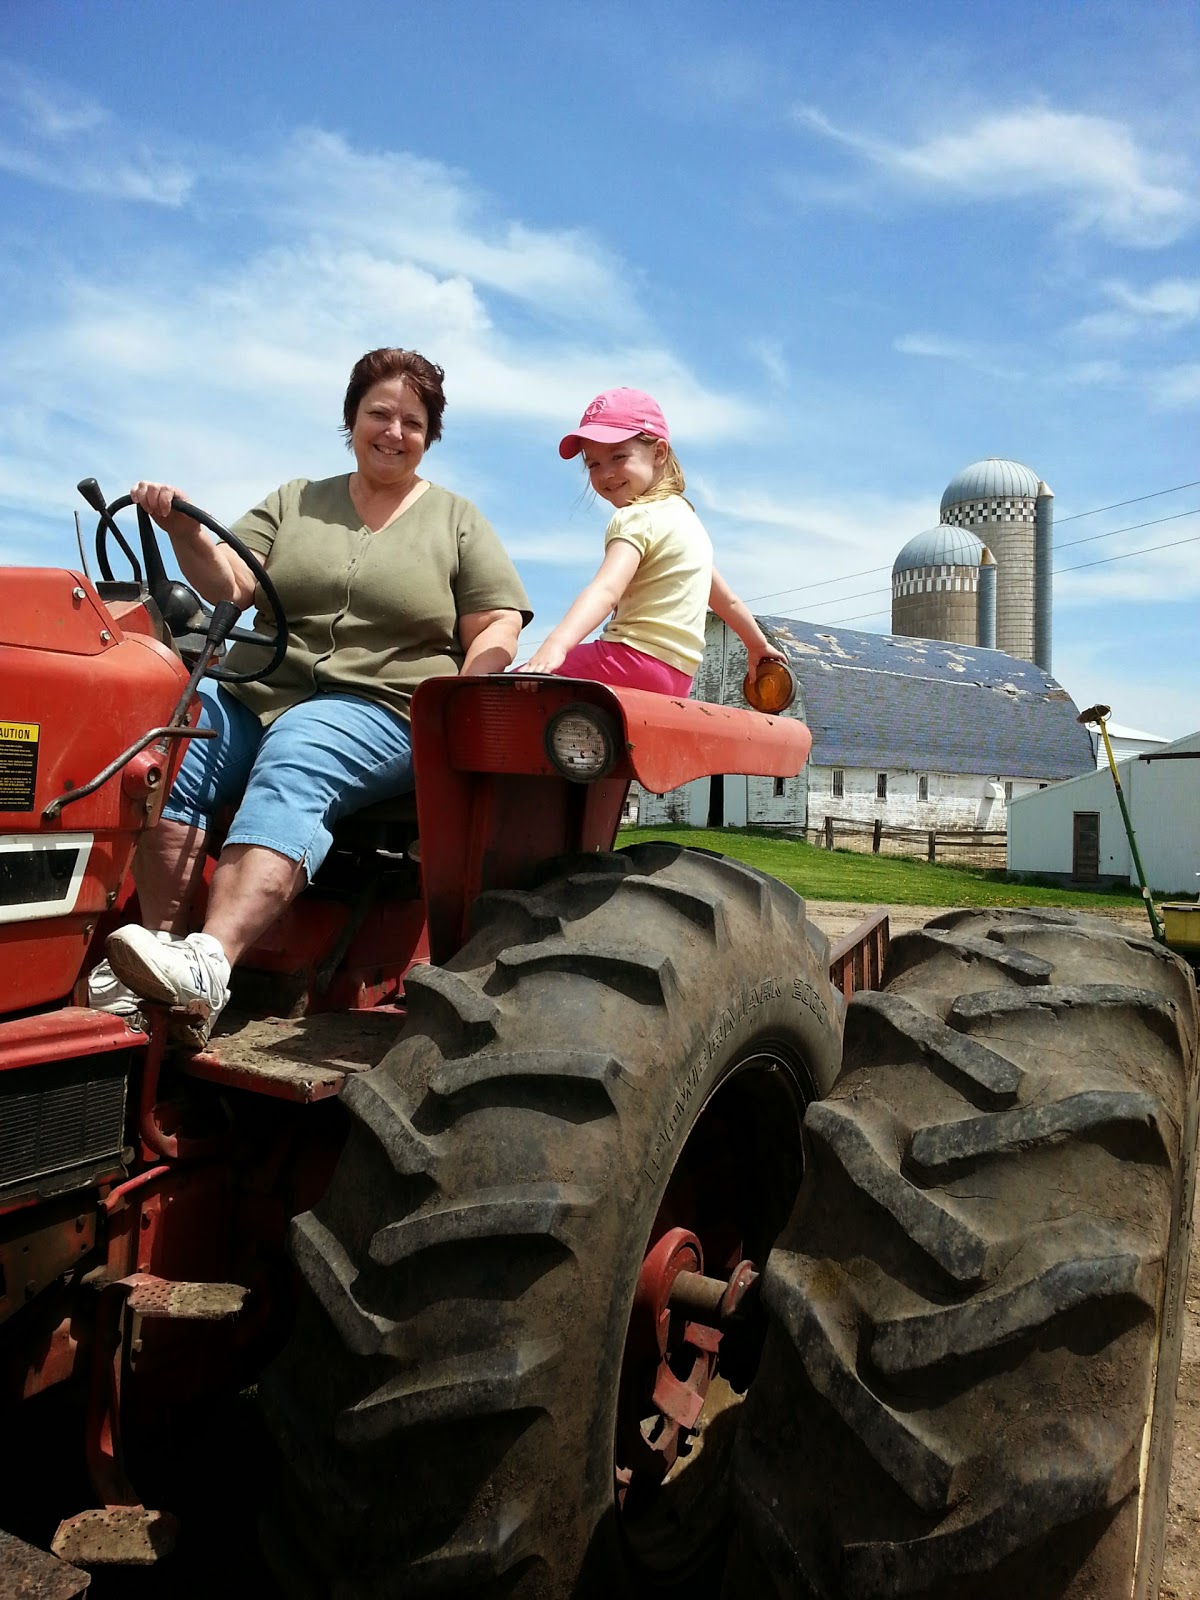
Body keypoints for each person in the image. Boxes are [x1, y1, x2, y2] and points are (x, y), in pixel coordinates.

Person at [92, 347, 531, 1043]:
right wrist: (181, 528)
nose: (393, 430)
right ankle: (158, 960)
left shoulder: (456, 519)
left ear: (430, 435)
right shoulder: (296, 500)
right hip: (261, 686)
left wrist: (467, 690)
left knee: (300, 751)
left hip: (381, 705)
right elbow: (231, 581)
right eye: (378, 413)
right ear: (351, 419)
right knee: (171, 743)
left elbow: (497, 620)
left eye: (412, 421)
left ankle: (211, 962)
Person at [516, 387, 785, 693]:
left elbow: (606, 590)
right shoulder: (687, 523)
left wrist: (556, 645)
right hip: (677, 679)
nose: (605, 474)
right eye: (593, 464)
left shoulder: (636, 517)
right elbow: (727, 600)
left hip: (628, 660)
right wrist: (757, 645)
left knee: (507, 688)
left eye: (618, 456)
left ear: (658, 453)